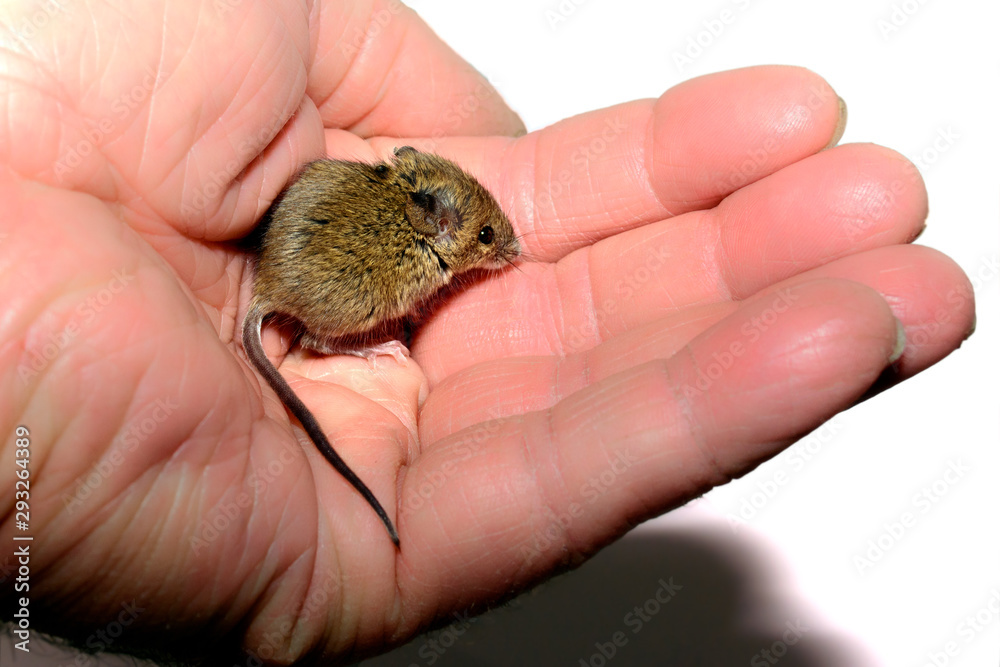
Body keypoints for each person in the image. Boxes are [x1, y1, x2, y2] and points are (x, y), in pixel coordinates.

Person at [0, 2, 974, 664]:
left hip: (289, 259)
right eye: (483, 239)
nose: (494, 248)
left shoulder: (413, 194)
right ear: (434, 228)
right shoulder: (404, 258)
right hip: (308, 290)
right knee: (354, 310)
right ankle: (329, 339)